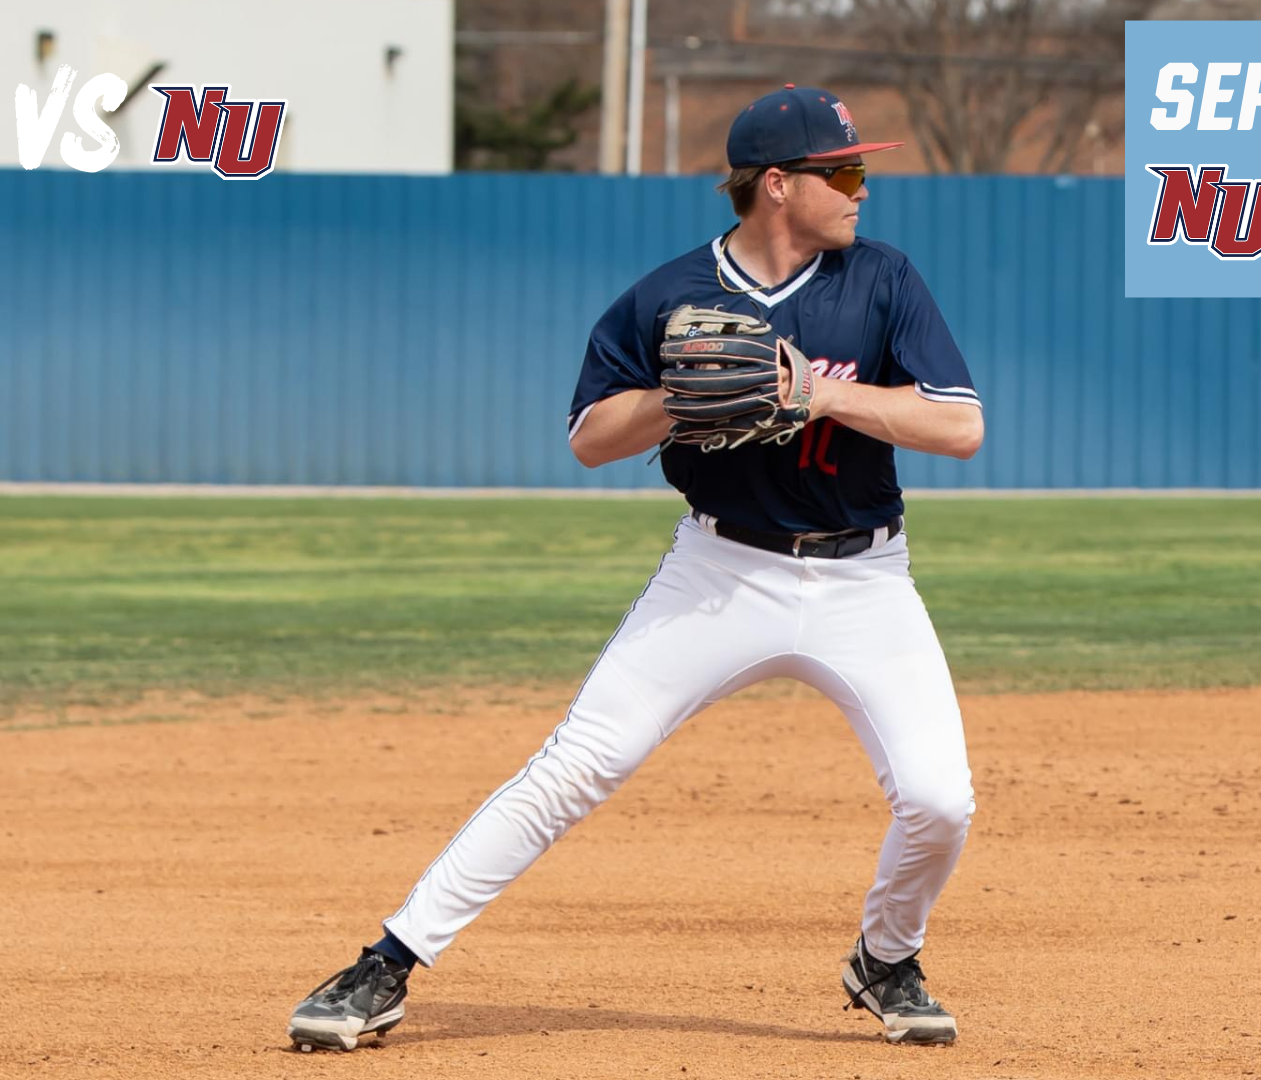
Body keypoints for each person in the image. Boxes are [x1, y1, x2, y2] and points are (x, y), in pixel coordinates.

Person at [287, 84, 985, 1051]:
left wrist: (818, 395)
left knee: (940, 799)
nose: (863, 189)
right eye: (847, 170)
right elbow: (588, 439)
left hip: (865, 579)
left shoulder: (883, 280)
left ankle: (885, 957)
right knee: (578, 764)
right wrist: (677, 394)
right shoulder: (667, 298)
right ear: (777, 186)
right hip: (719, 575)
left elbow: (960, 426)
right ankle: (388, 963)